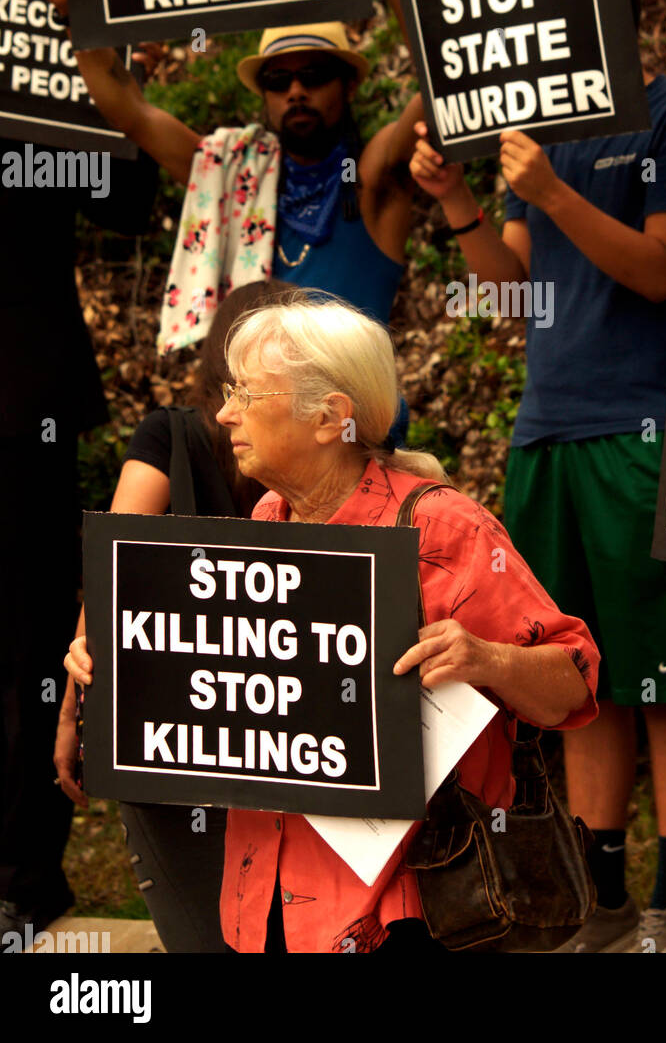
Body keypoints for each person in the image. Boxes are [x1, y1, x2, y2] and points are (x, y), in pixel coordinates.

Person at [66, 295, 600, 953]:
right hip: (266, 900)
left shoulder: (442, 526)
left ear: (330, 419)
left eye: (248, 394)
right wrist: (122, 664)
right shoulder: (268, 518)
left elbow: (574, 683)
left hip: (410, 905)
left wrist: (488, 661)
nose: (226, 413)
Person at [410, 0, 666, 953]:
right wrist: (465, 199)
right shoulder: (531, 135)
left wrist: (549, 189)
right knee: (578, 665)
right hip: (547, 428)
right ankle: (601, 899)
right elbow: (512, 290)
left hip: (653, 422)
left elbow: (659, 267)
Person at [36, 0, 424, 353]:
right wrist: (76, 13)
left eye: (314, 75)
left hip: (352, 417)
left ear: (349, 86)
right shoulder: (235, 174)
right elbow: (131, 113)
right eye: (278, 81)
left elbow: (438, 88)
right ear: (264, 95)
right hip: (254, 416)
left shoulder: (374, 178)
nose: (296, 90)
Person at [54, 279, 292, 951]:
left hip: (285, 739)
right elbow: (112, 567)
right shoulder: (177, 437)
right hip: (183, 740)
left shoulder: (331, 451)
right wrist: (75, 705)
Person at [0, 121, 157, 939]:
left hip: (24, 416)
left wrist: (93, 95)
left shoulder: (39, 98)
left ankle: (21, 878)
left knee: (28, 647)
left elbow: (131, 204)